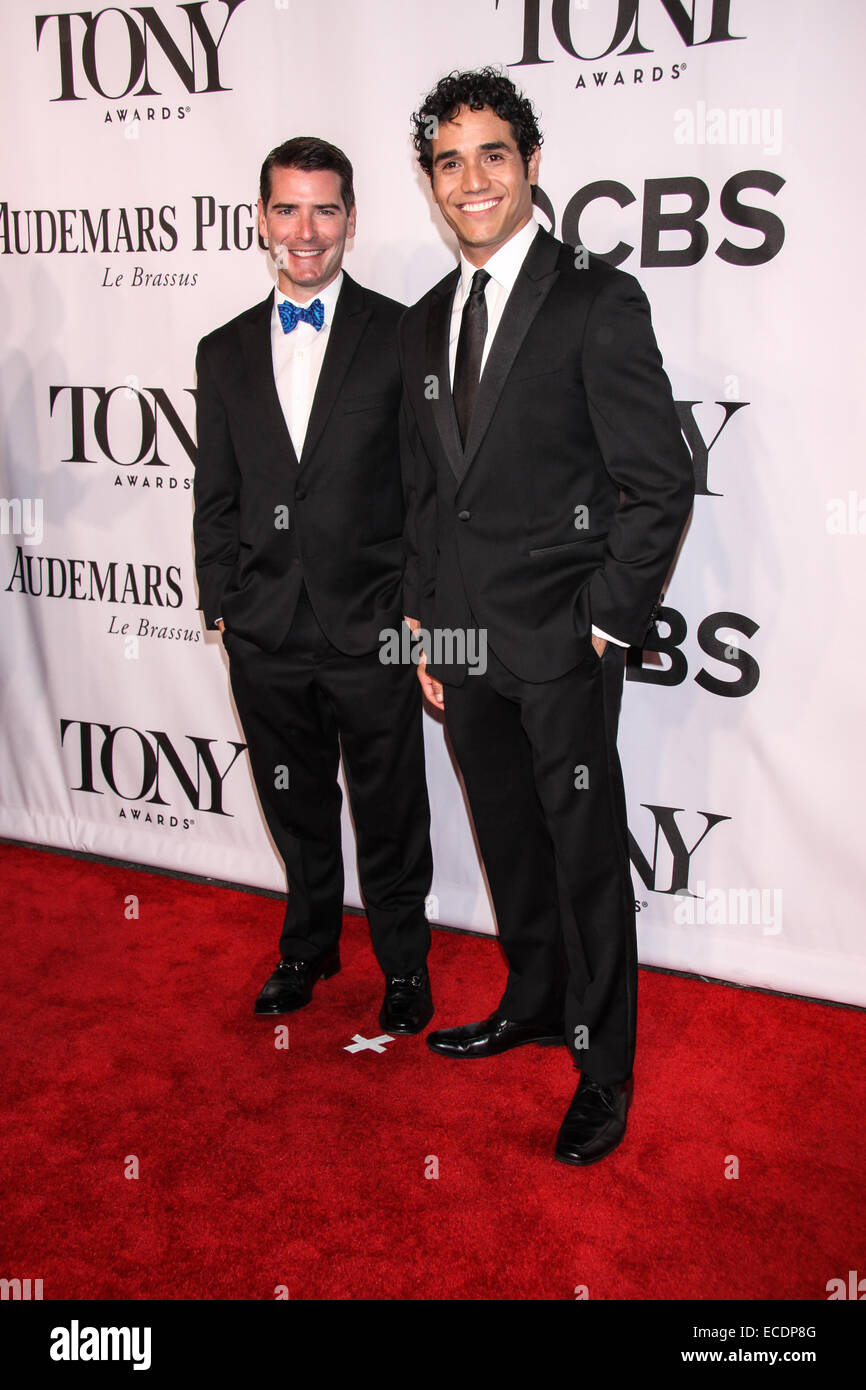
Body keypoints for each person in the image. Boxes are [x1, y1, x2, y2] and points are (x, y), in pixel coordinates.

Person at [400, 70, 694, 1163]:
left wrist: (601, 626)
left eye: (490, 154)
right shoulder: (429, 318)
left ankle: (603, 1073)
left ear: (528, 161)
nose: (470, 179)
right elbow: (425, 489)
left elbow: (657, 480)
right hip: (462, 637)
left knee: (580, 859)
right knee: (508, 838)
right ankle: (531, 998)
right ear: (429, 181)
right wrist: (422, 623)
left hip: (562, 642)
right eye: (447, 160)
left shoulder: (591, 297)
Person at [194, 137, 433, 1033]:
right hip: (264, 632)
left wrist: (415, 608)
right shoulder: (221, 353)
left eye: (324, 210)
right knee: (294, 801)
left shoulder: (401, 332)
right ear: (261, 219)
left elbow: (424, 488)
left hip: (370, 626)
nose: (306, 230)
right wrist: (224, 604)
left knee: (390, 807)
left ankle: (404, 966)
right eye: (287, 209)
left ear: (352, 221)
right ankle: (308, 946)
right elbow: (214, 494)